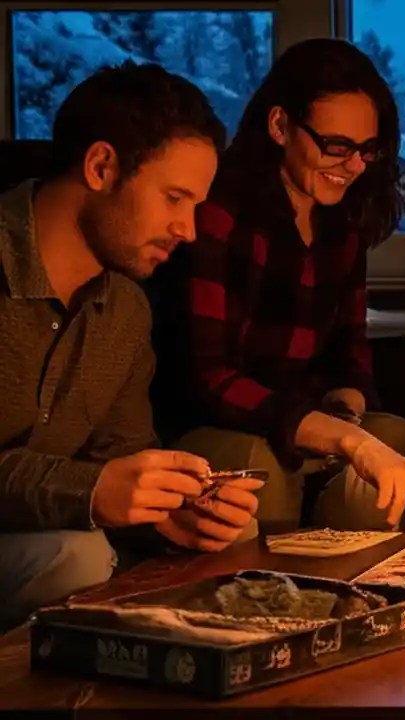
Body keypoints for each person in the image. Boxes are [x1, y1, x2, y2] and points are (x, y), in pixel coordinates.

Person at [0, 62, 260, 627]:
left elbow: (120, 454)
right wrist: (91, 490)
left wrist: (166, 510)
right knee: (76, 556)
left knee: (237, 529)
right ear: (101, 166)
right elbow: (92, 486)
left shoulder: (122, 309)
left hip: (54, 540)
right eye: (174, 198)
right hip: (46, 547)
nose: (189, 230)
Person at [148, 39, 405, 539]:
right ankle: (268, 600)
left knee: (395, 438)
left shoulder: (343, 222)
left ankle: (354, 588)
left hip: (308, 417)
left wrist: (346, 418)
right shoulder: (218, 211)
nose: (353, 166)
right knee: (264, 466)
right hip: (219, 425)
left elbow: (350, 355)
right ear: (281, 126)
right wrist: (331, 435)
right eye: (336, 146)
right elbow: (209, 379)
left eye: (367, 150)